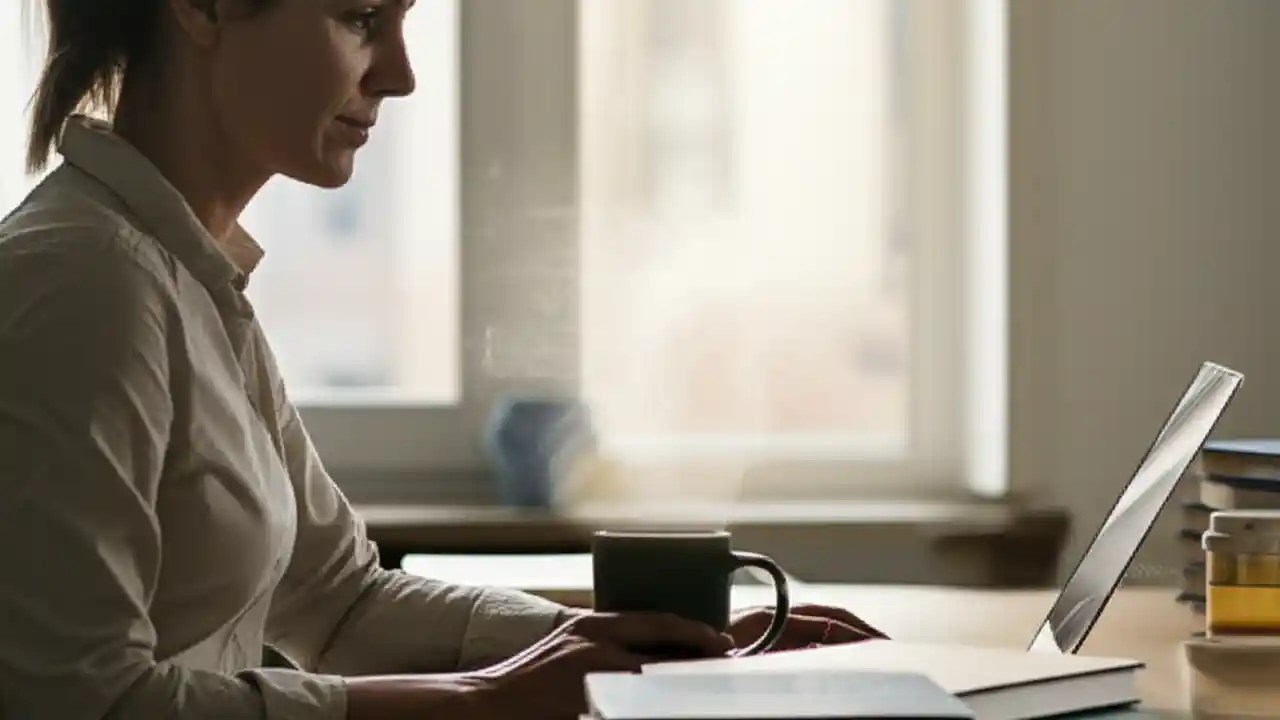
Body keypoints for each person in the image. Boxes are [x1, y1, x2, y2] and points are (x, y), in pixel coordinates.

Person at [0, 1, 885, 718]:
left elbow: (340, 603)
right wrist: (484, 700)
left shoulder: (187, 274)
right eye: (360, 19)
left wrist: (662, 641)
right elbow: (76, 702)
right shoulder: (83, 284)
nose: (402, 72)